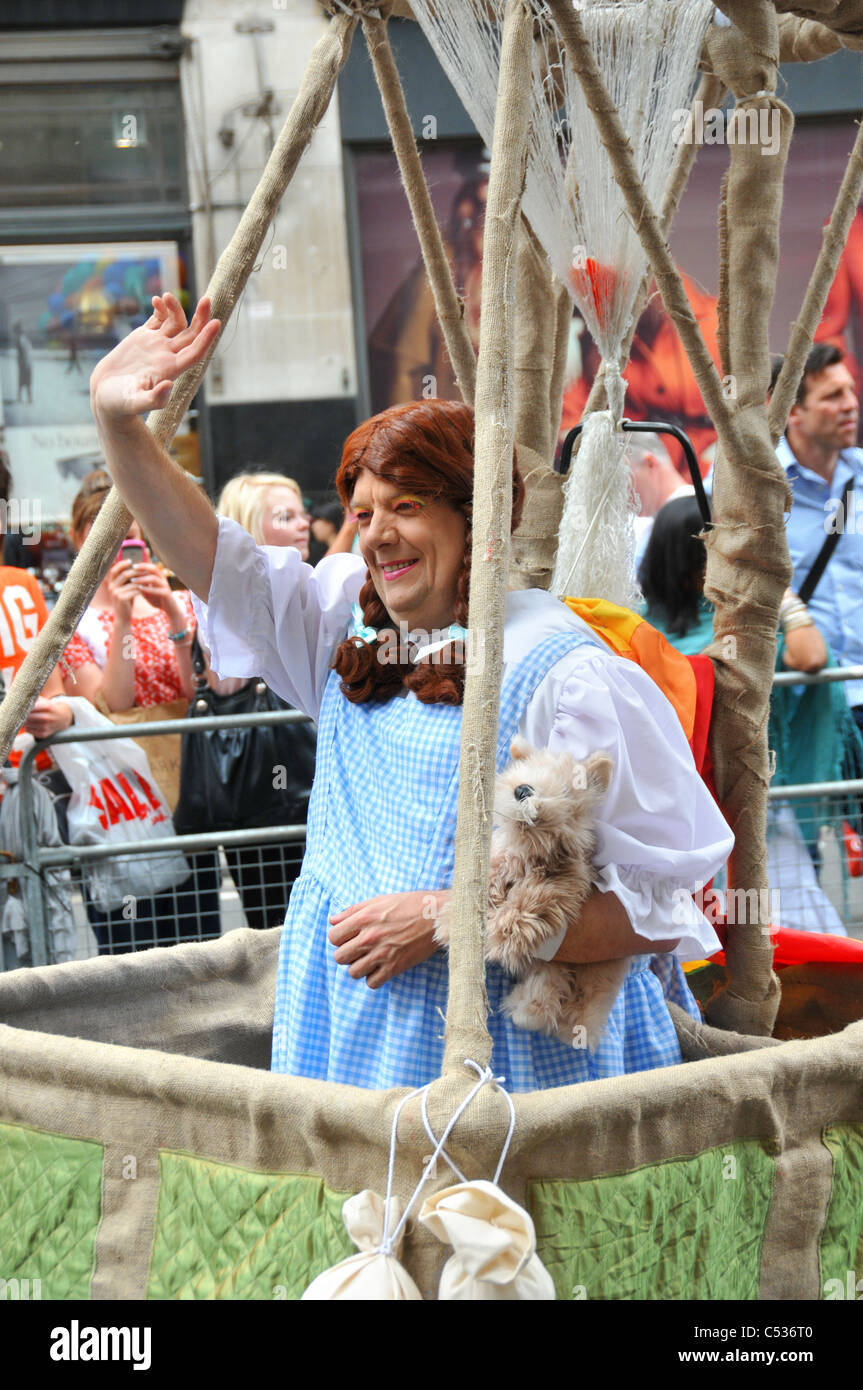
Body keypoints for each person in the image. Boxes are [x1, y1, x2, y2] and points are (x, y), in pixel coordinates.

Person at [89, 292, 733, 1091]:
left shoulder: (567, 676)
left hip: (519, 1073)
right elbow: (216, 559)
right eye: (363, 512)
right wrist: (120, 425)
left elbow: (658, 908)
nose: (378, 533)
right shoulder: (341, 626)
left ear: (480, 519)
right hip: (348, 1049)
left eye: (407, 506)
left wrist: (446, 919)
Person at [61, 475, 220, 953]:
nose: (118, 551)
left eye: (128, 537)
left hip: (185, 792)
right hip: (123, 805)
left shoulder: (177, 604)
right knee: (133, 948)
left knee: (198, 939)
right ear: (81, 541)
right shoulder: (73, 620)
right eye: (104, 537)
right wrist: (125, 618)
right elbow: (116, 702)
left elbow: (198, 692)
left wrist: (172, 614)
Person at [211, 470, 316, 931]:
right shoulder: (222, 608)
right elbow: (225, 683)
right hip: (264, 809)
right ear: (252, 528)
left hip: (316, 798)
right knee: (277, 933)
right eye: (285, 516)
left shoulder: (320, 585)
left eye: (303, 513)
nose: (303, 524)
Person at [772, 343, 863, 732]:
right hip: (803, 701)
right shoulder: (751, 488)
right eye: (832, 396)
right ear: (793, 412)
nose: (850, 404)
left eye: (850, 390)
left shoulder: (859, 477)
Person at [628, 434, 696, 571]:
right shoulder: (640, 525)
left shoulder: (696, 517)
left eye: (623, 480)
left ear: (650, 464)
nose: (620, 494)